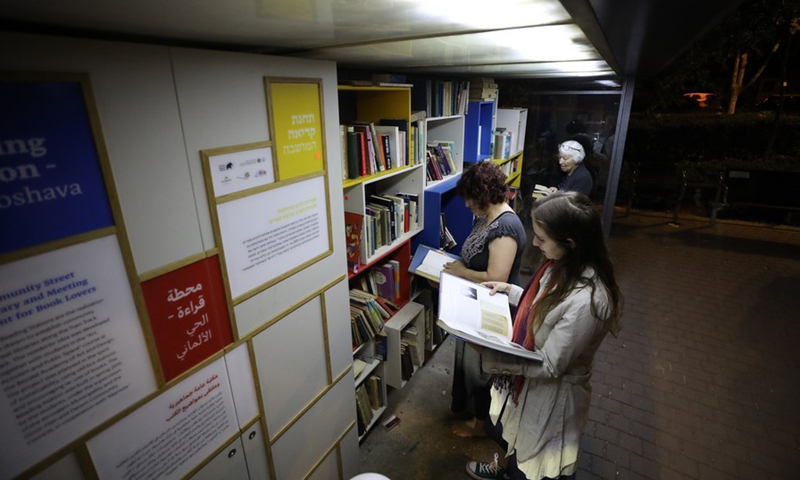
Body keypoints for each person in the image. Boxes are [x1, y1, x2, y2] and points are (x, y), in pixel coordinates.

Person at [465, 191, 623, 480]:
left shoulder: (589, 300)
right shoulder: (562, 265)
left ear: (571, 243)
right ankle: (502, 466)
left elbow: (549, 365)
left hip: (551, 396)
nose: (535, 243)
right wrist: (512, 292)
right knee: (509, 437)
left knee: (535, 466)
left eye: (542, 238)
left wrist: (490, 355)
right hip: (527, 386)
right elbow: (542, 302)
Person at [443, 161, 527, 438]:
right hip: (474, 301)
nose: (466, 204)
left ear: (482, 194)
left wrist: (461, 271)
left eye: (470, 197)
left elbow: (495, 276)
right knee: (471, 364)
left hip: (492, 307)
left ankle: (481, 425)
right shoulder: (485, 217)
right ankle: (474, 413)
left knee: (482, 369)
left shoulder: (506, 227)